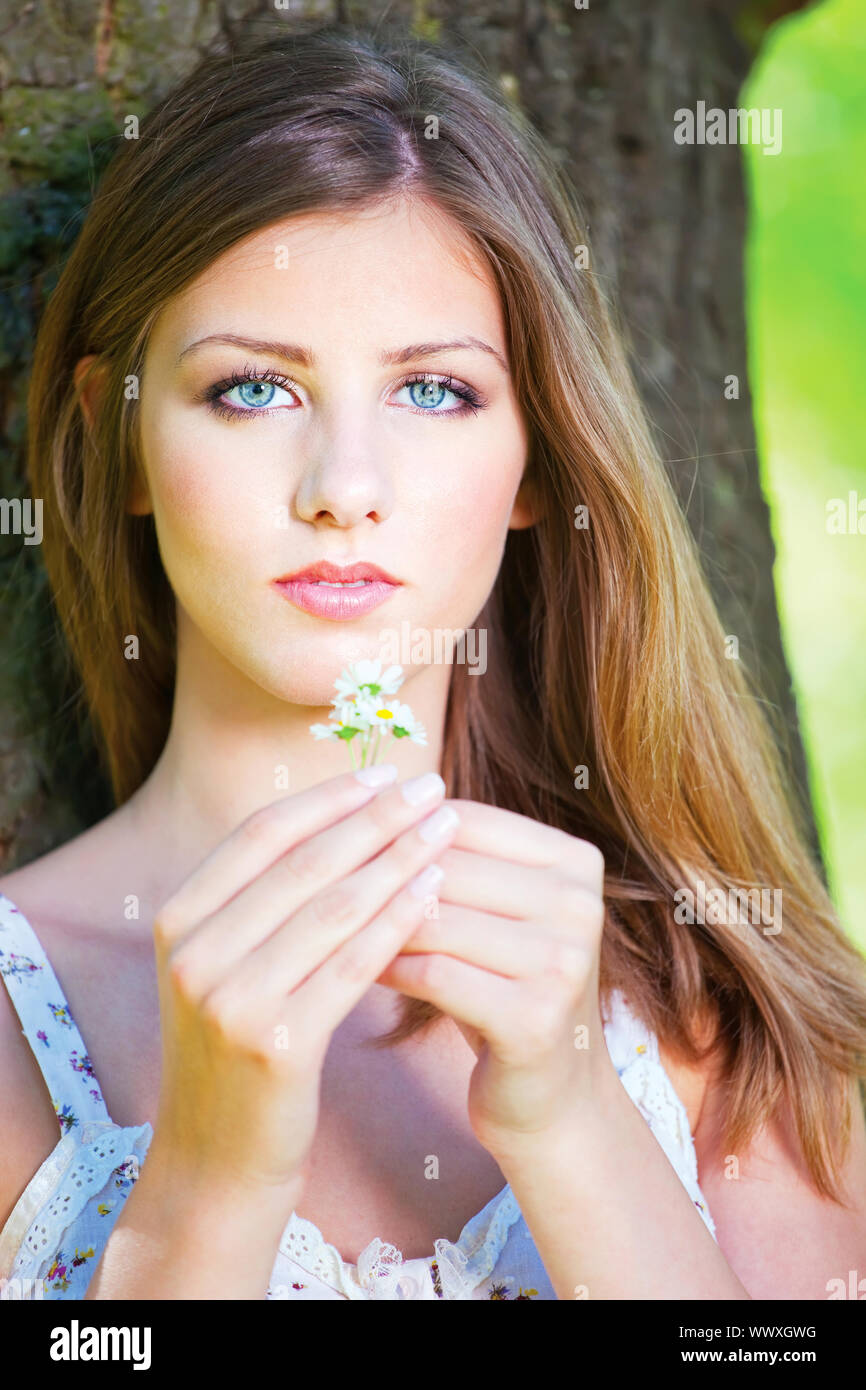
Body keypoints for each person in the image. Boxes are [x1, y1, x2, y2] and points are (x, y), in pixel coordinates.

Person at [1, 24, 864, 1303]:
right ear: (114, 437)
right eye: (250, 389)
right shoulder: (21, 1029)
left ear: (537, 459)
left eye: (435, 393)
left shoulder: (732, 1003)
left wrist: (573, 1121)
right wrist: (207, 1194)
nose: (344, 489)